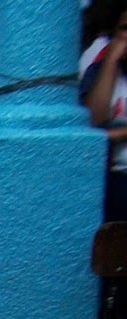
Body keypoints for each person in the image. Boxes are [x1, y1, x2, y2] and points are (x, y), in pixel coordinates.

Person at [83, 4, 127, 222]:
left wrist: (113, 134)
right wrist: (111, 61)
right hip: (116, 177)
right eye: (125, 28)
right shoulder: (98, 70)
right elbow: (91, 122)